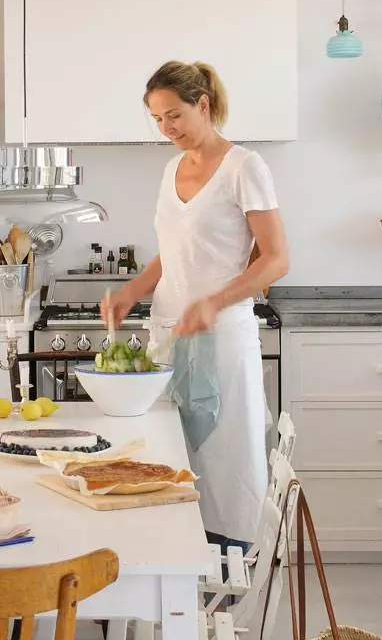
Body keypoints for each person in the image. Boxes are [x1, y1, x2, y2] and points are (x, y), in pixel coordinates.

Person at [102, 61, 290, 550]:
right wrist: (132, 290)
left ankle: (224, 580)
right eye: (157, 119)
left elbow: (276, 259)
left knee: (225, 461)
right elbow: (177, 249)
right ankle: (169, 570)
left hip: (222, 336)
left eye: (174, 116)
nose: (166, 129)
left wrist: (215, 302)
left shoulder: (244, 167)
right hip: (167, 333)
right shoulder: (172, 169)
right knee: (163, 457)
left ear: (202, 104)